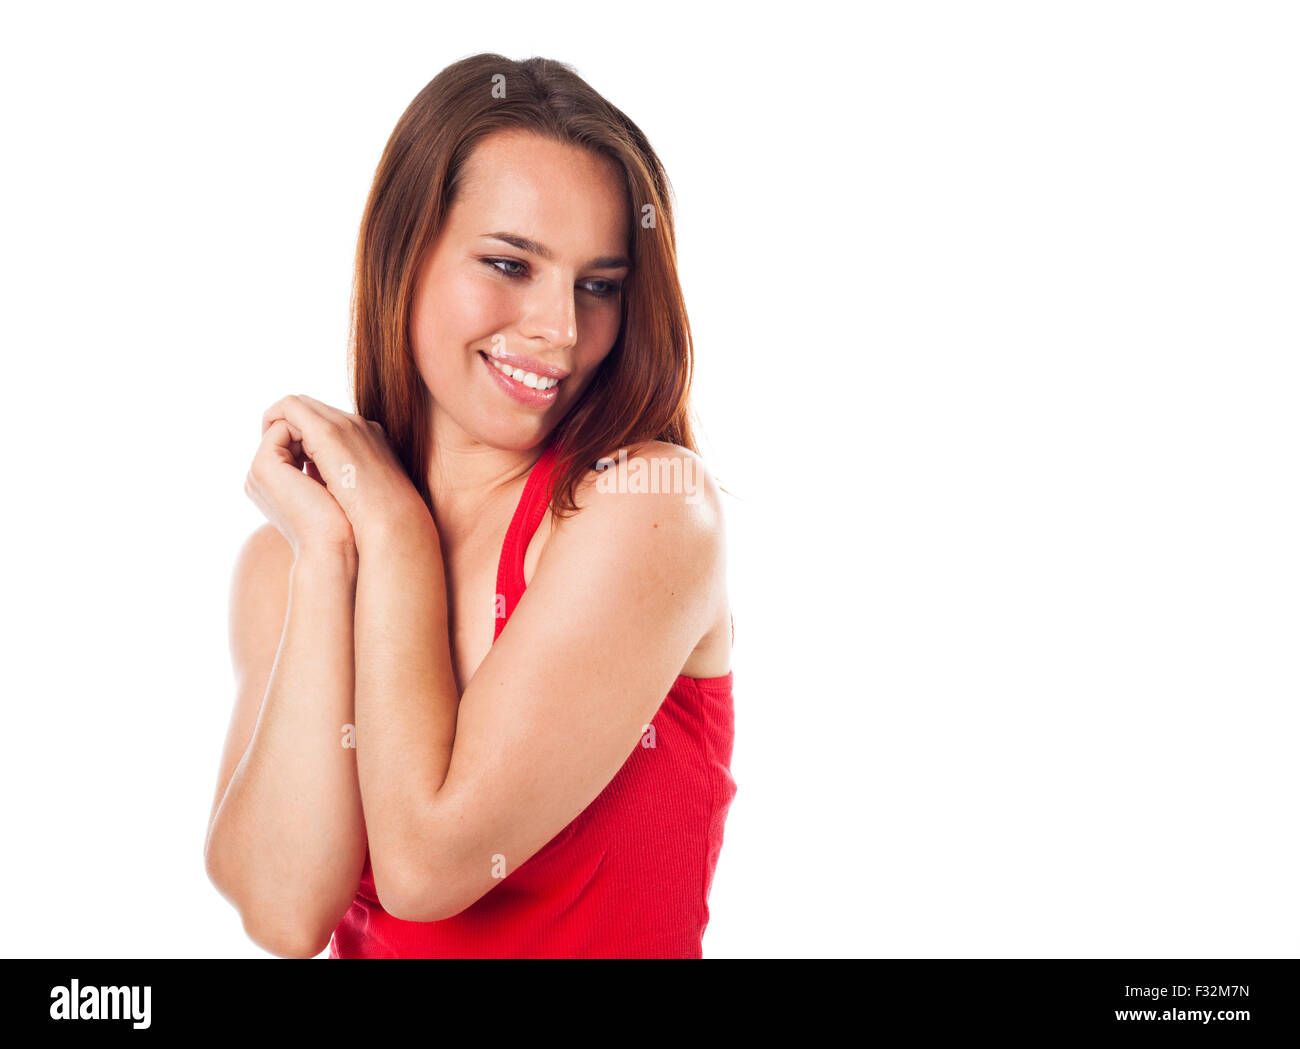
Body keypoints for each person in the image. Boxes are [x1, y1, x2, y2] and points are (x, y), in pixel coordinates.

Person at [203, 53, 736, 958]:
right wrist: (334, 552)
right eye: (509, 263)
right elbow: (284, 915)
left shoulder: (647, 509)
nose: (560, 328)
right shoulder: (296, 556)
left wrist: (396, 533)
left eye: (599, 285)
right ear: (403, 253)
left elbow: (427, 865)